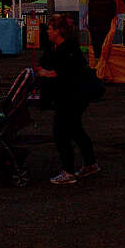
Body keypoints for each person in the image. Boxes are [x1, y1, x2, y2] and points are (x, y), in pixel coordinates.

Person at [37, 14, 99, 185]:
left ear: (58, 31)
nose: (47, 32)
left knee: (61, 133)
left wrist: (45, 73)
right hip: (68, 95)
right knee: (76, 129)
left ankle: (68, 171)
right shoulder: (55, 47)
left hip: (73, 96)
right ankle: (90, 163)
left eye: (50, 29)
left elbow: (63, 73)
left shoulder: (69, 49)